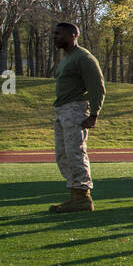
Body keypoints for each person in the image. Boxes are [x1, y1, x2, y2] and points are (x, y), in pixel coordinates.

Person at [48, 22, 105, 213]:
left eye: (59, 33)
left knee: (75, 152)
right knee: (63, 153)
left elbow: (97, 87)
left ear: (73, 35)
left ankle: (82, 196)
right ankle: (74, 194)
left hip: (75, 110)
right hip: (62, 110)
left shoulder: (84, 58)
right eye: (54, 33)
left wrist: (94, 114)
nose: (54, 36)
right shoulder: (67, 58)